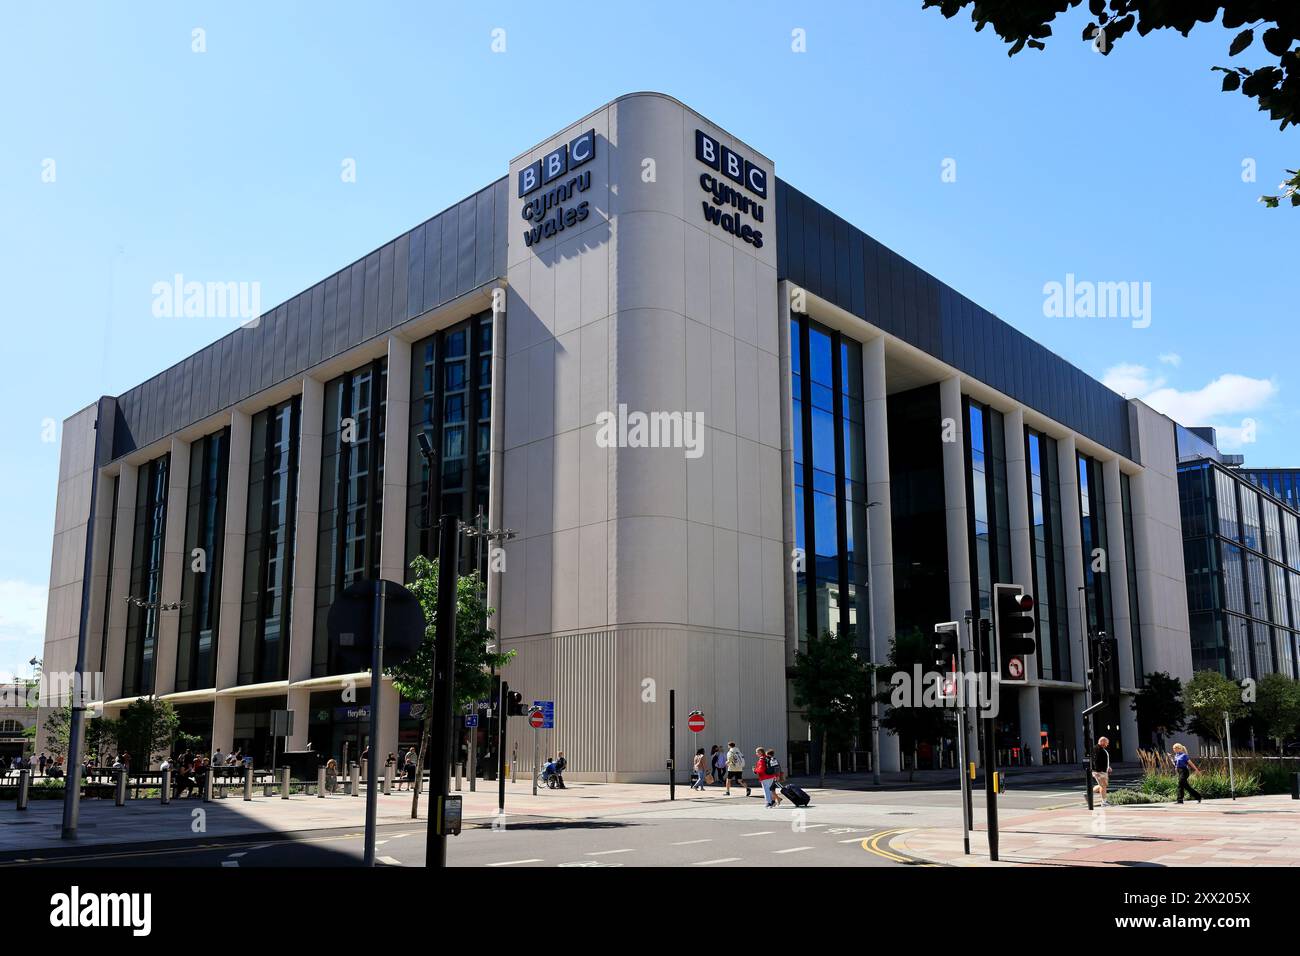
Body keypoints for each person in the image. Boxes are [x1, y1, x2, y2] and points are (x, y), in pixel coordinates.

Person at [1091, 736, 1111, 807]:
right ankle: (1104, 802)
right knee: (1103, 786)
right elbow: (1095, 761)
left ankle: (1089, 793)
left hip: (1103, 771)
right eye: (1106, 743)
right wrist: (1098, 771)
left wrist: (1108, 767)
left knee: (1102, 785)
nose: (1107, 744)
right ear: (1102, 741)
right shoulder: (1097, 749)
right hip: (1099, 771)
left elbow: (1103, 760)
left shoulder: (1101, 749)